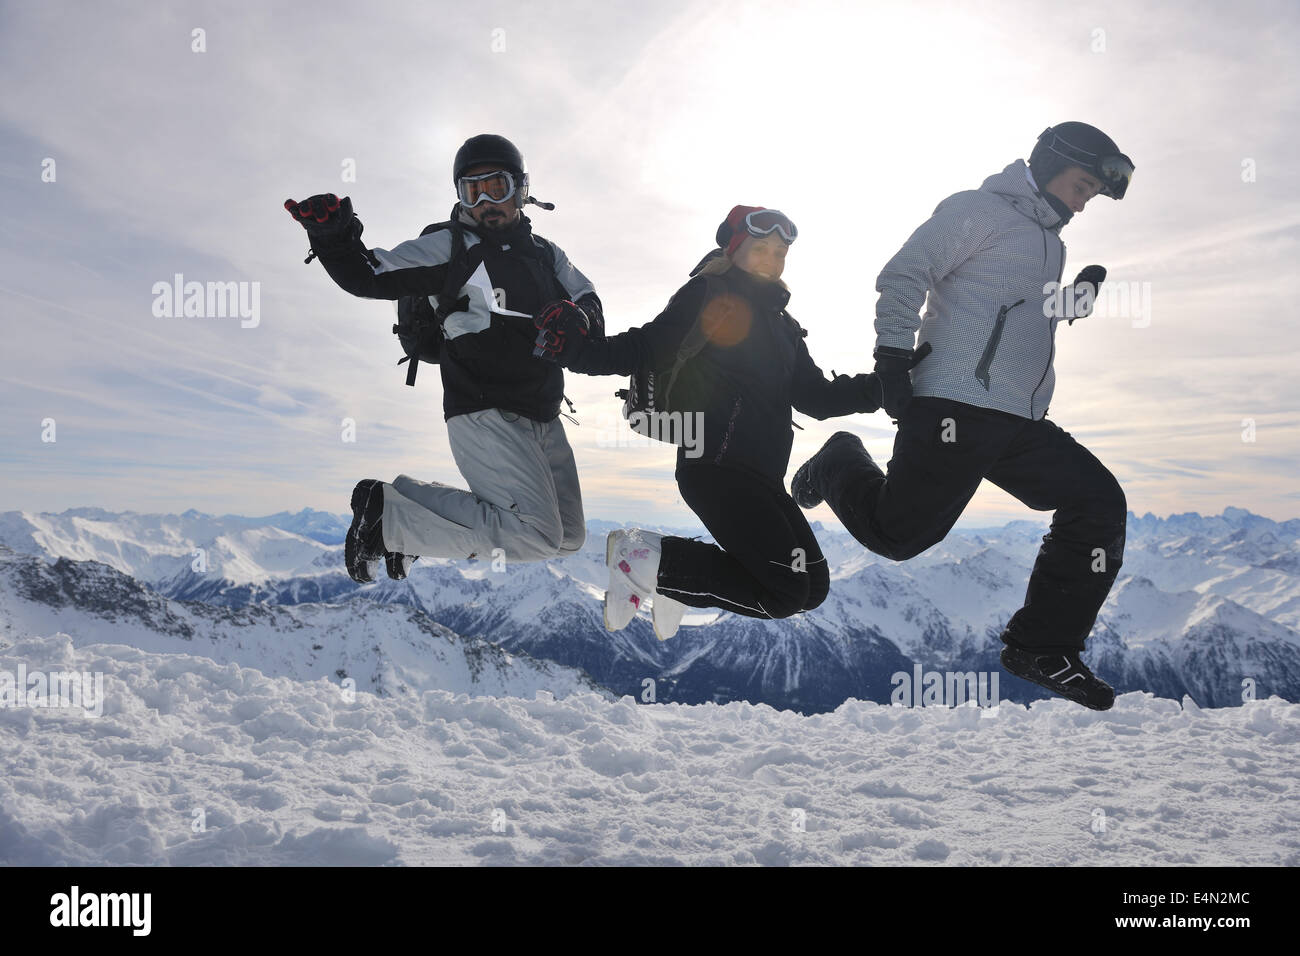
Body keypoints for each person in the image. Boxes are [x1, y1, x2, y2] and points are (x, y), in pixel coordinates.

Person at [790, 122, 1135, 710]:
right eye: (1082, 185)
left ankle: (1042, 646)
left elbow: (1024, 313)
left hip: (1019, 420)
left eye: (1092, 194)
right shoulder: (981, 211)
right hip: (953, 405)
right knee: (898, 538)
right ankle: (839, 459)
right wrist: (893, 357)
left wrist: (1076, 300)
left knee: (1099, 503)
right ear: (1050, 164)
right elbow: (905, 271)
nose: (1084, 201)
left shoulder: (1051, 242)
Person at [535, 205, 881, 639]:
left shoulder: (784, 326)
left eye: (779, 252)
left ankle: (675, 584)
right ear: (734, 249)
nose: (771, 260)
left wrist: (883, 386)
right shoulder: (709, 296)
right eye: (760, 249)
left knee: (813, 587)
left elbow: (817, 398)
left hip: (764, 479)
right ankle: (642, 559)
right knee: (786, 592)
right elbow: (646, 346)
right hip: (715, 470)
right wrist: (579, 352)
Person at [285, 134, 604, 583]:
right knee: (535, 535)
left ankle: (406, 515)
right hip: (483, 410)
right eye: (472, 191)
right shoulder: (450, 246)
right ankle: (389, 519)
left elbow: (589, 298)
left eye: (497, 187)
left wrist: (579, 319)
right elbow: (369, 275)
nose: (486, 201)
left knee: (569, 538)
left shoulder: (548, 256)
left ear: (522, 190)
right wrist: (333, 236)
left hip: (545, 414)